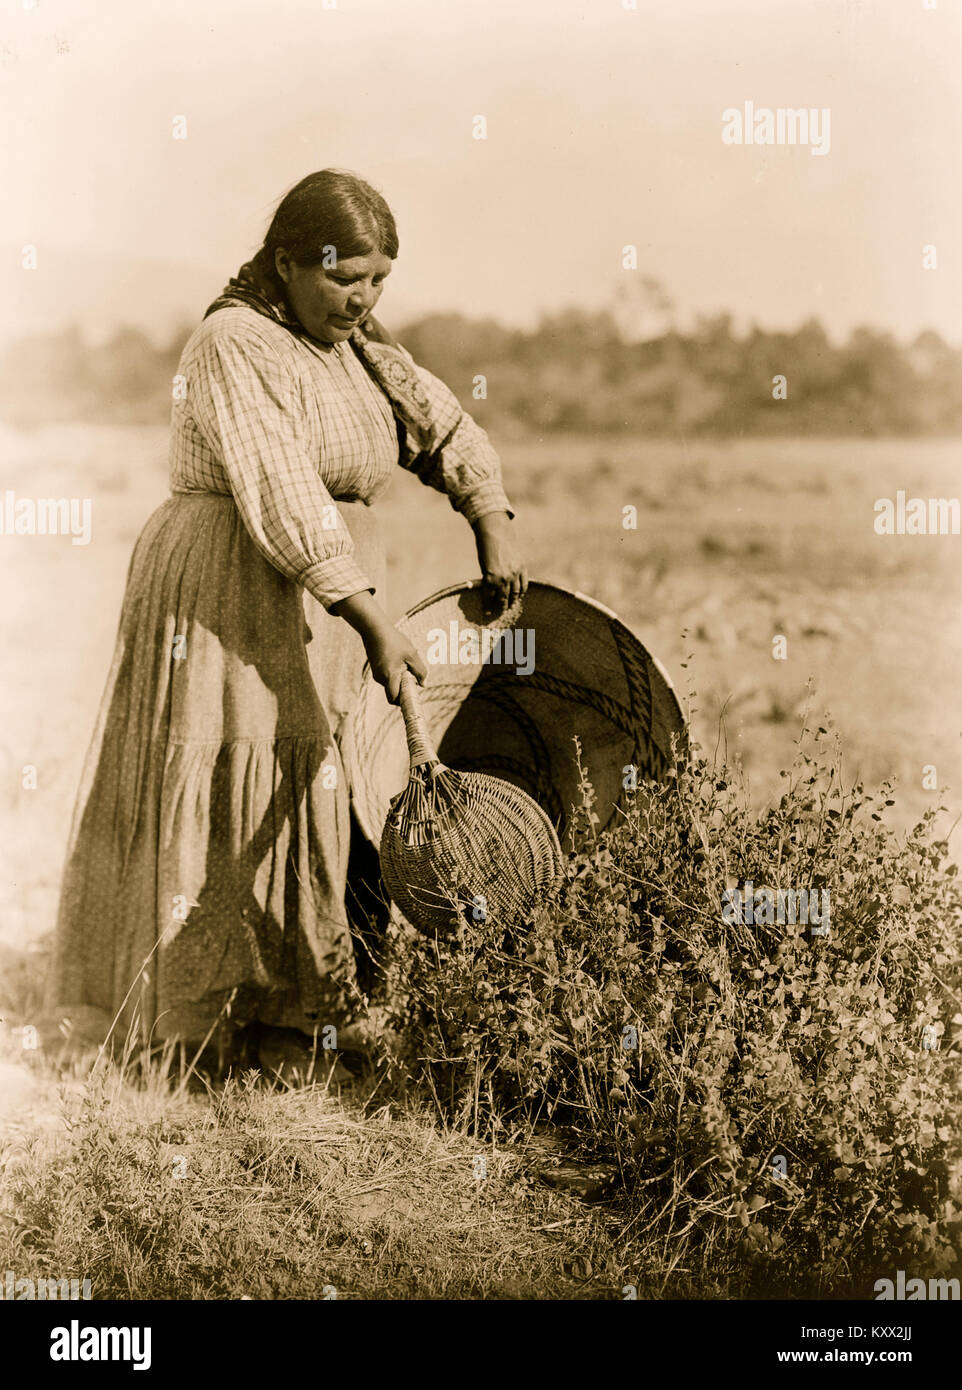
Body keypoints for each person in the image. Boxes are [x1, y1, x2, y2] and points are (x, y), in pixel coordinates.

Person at [48, 168, 525, 1068]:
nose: (364, 298)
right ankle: (196, 1027)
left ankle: (296, 1012)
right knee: (238, 766)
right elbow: (284, 490)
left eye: (380, 279)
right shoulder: (234, 341)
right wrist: (374, 620)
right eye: (347, 277)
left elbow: (443, 425)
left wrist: (490, 519)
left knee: (315, 782)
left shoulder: (358, 349)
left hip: (325, 591)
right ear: (287, 263)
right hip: (233, 579)